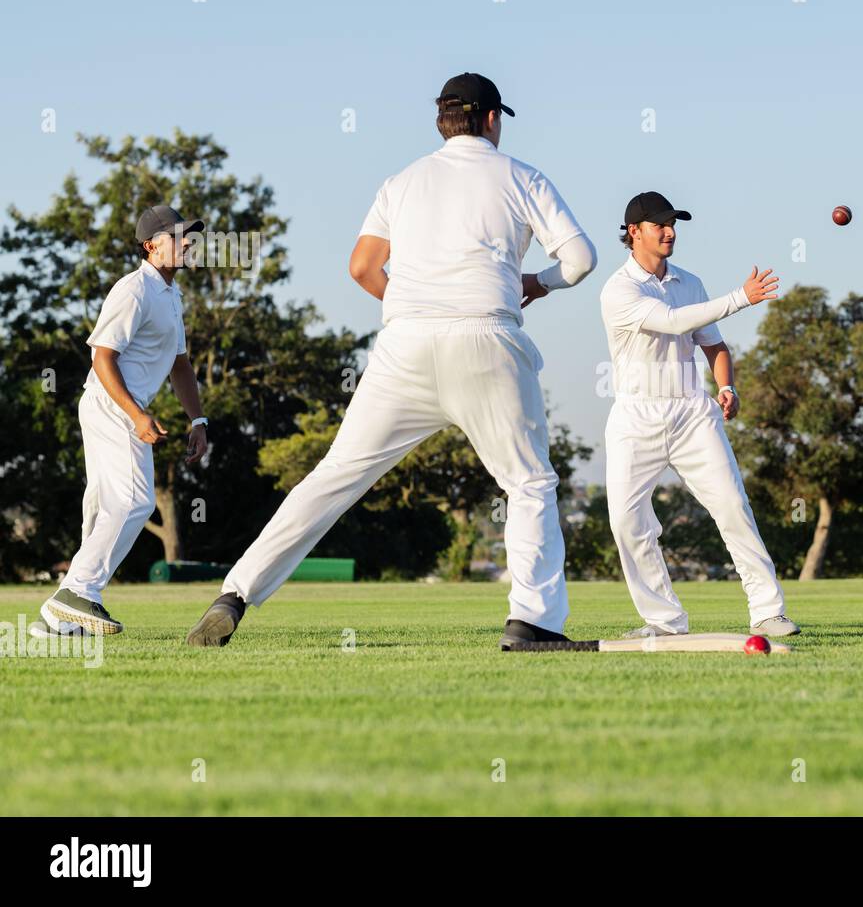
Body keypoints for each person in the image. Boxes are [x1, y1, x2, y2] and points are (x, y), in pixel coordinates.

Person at [186, 72, 596, 649]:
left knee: (335, 476)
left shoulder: (401, 181)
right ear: (491, 119)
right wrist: (541, 283)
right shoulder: (521, 176)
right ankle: (530, 622)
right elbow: (580, 259)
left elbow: (361, 267)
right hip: (487, 339)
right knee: (528, 484)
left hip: (403, 346)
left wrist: (415, 303)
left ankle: (234, 594)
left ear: (443, 121)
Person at [598, 191, 798, 638]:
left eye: (674, 224)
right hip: (636, 414)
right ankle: (664, 620)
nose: (670, 231)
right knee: (627, 522)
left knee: (732, 506)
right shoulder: (619, 289)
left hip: (692, 411)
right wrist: (740, 298)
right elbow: (672, 321)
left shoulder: (690, 281)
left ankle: (768, 611)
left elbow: (714, 345)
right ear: (634, 232)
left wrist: (725, 385)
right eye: (660, 225)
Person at [37, 205, 209, 636]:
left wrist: (198, 420)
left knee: (100, 509)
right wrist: (137, 414)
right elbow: (102, 356)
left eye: (188, 235)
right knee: (135, 501)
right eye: (178, 236)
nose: (187, 242)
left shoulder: (171, 295)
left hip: (116, 407)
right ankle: (76, 592)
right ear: (152, 246)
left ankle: (59, 618)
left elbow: (181, 366)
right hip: (112, 404)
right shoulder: (133, 290)